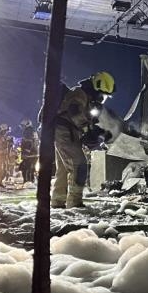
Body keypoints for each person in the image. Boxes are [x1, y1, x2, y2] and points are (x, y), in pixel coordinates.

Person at [52, 71, 115, 208]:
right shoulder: (79, 94)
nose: (102, 99)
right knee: (79, 165)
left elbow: (85, 119)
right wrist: (88, 130)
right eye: (103, 95)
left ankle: (58, 201)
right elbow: (75, 113)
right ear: (97, 87)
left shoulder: (87, 97)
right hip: (64, 132)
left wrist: (98, 132)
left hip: (67, 132)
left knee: (63, 168)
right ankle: (75, 202)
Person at [18, 118, 38, 184]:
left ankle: (28, 181)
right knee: (31, 168)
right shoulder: (32, 130)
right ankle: (31, 181)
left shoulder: (28, 131)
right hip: (34, 153)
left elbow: (28, 142)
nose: (22, 127)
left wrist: (26, 152)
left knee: (26, 168)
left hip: (29, 154)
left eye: (23, 125)